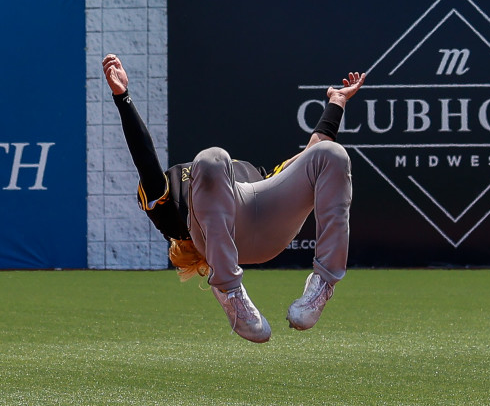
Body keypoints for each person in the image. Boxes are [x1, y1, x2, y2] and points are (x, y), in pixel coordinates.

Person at [102, 53, 364, 343]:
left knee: (331, 155)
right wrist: (122, 98)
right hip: (226, 236)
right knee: (212, 159)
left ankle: (322, 284)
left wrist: (337, 101)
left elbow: (312, 154)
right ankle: (230, 290)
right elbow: (145, 160)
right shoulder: (171, 211)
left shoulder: (237, 175)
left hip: (264, 219)